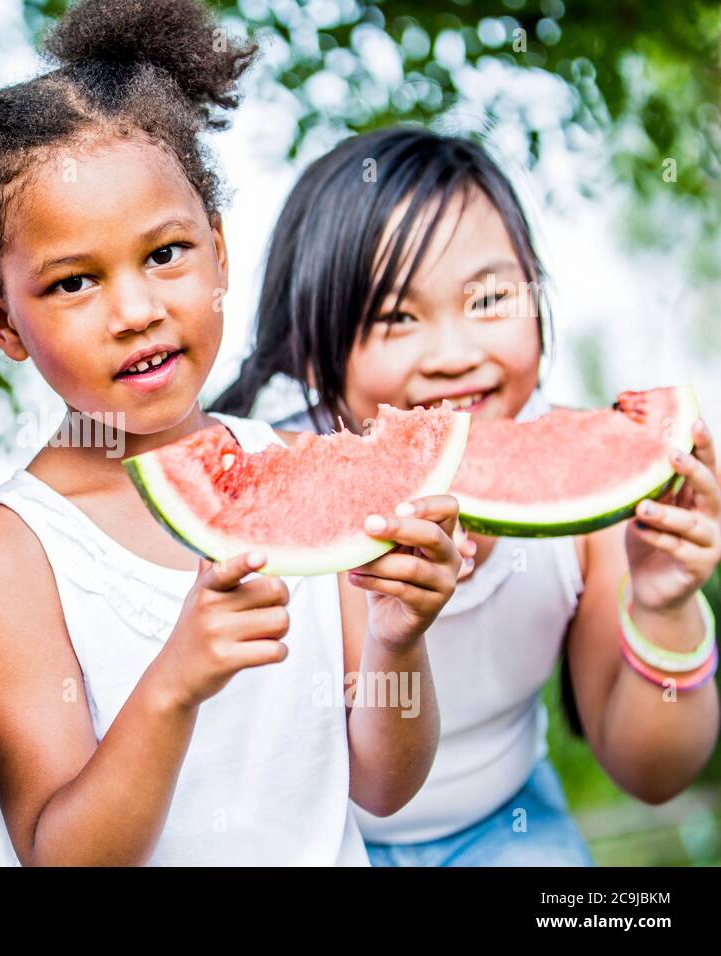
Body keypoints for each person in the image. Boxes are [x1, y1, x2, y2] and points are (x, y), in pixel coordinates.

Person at [0, 0, 464, 866]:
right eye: (74, 282)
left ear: (219, 252)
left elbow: (382, 785)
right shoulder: (17, 545)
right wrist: (174, 685)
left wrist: (397, 636)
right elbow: (60, 852)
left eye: (165, 255)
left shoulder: (301, 468)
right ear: (2, 323)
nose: (137, 311)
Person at [215, 126, 721, 865]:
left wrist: (666, 600)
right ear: (312, 350)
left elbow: (652, 774)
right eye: (396, 317)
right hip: (315, 838)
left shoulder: (591, 498)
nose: (455, 355)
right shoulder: (275, 487)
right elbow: (360, 781)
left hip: (509, 823)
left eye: (489, 298)